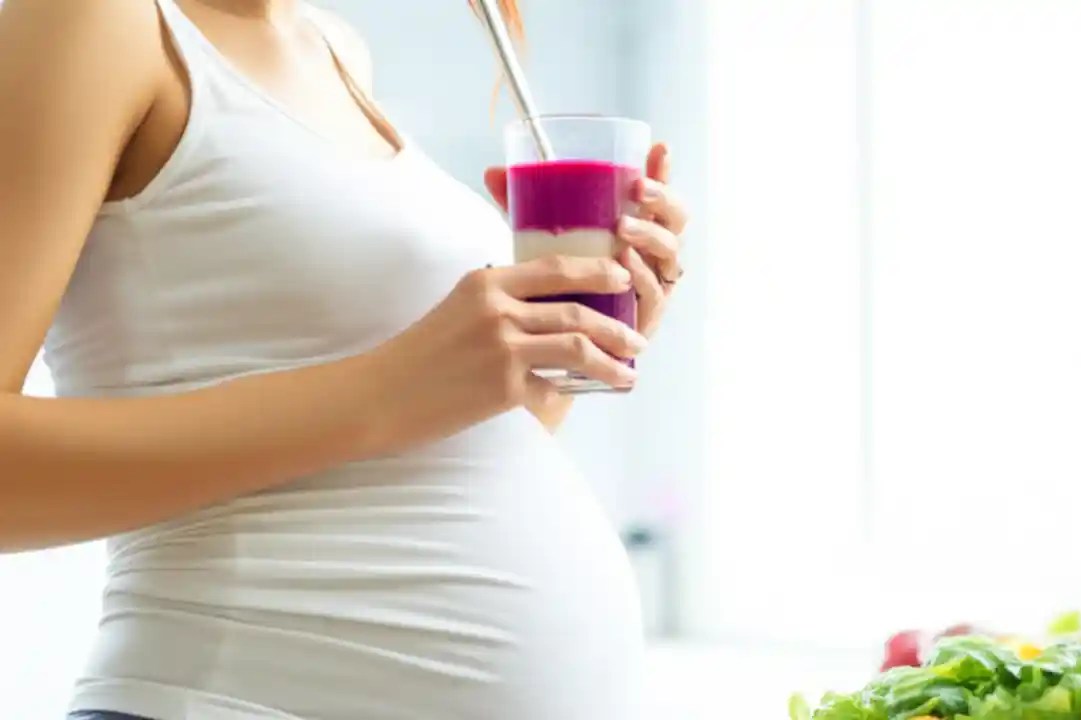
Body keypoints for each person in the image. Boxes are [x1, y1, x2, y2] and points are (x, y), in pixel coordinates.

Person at [0, 0, 688, 717]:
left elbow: (396, 472)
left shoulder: (333, 48)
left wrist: (572, 342)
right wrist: (391, 388)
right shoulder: (93, 18)